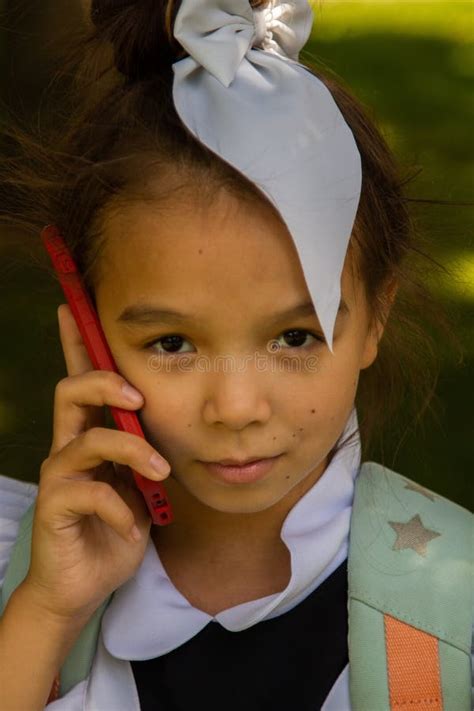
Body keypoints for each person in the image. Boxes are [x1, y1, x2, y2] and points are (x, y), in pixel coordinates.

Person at [0, 1, 472, 709]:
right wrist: (45, 613)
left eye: (293, 337)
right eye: (173, 344)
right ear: (88, 338)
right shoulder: (27, 581)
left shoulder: (452, 607)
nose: (237, 409)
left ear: (376, 316)